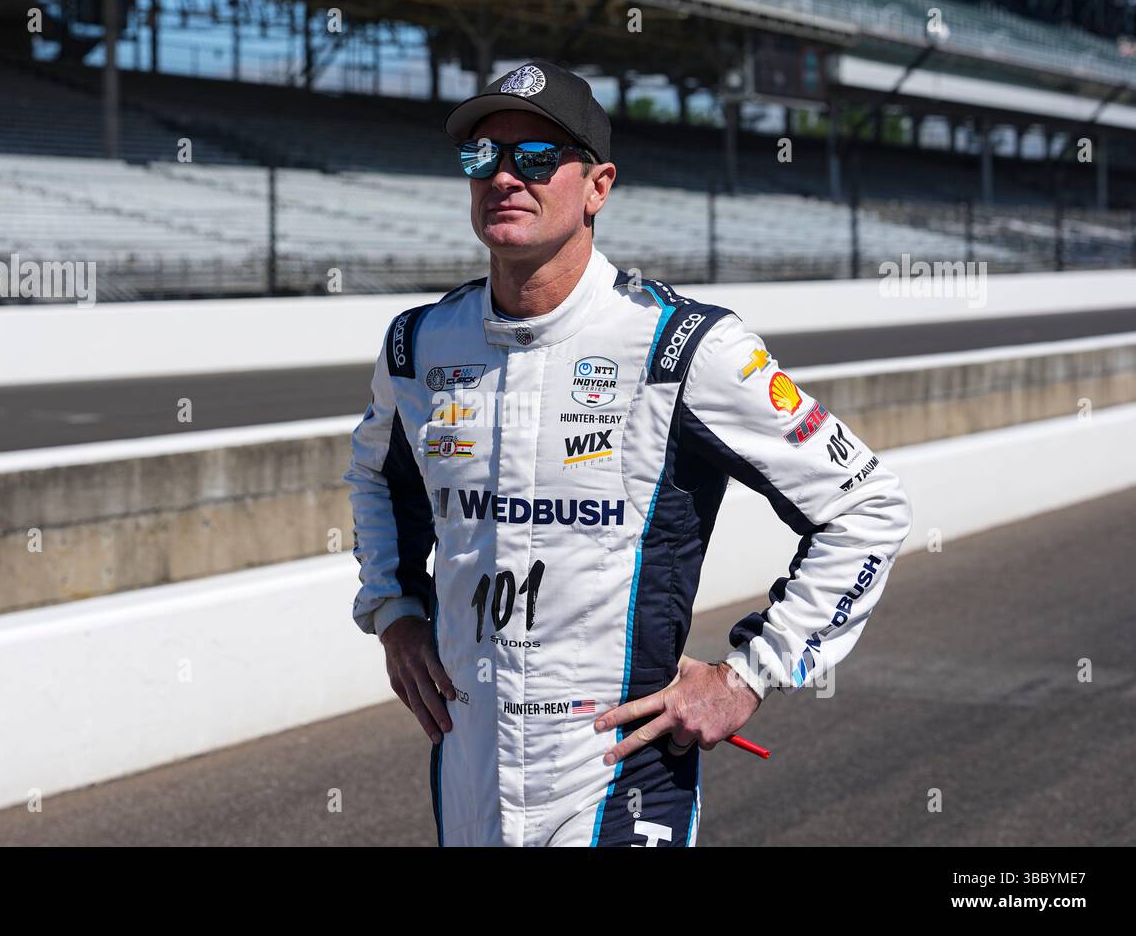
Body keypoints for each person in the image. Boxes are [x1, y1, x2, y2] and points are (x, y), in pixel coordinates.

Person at [346, 60, 912, 846]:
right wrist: (394, 613)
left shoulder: (683, 348)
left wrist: (750, 673)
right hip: (466, 760)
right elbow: (374, 479)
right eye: (484, 157)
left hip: (616, 771)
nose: (505, 176)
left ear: (598, 187)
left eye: (537, 157)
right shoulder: (417, 345)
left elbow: (867, 505)